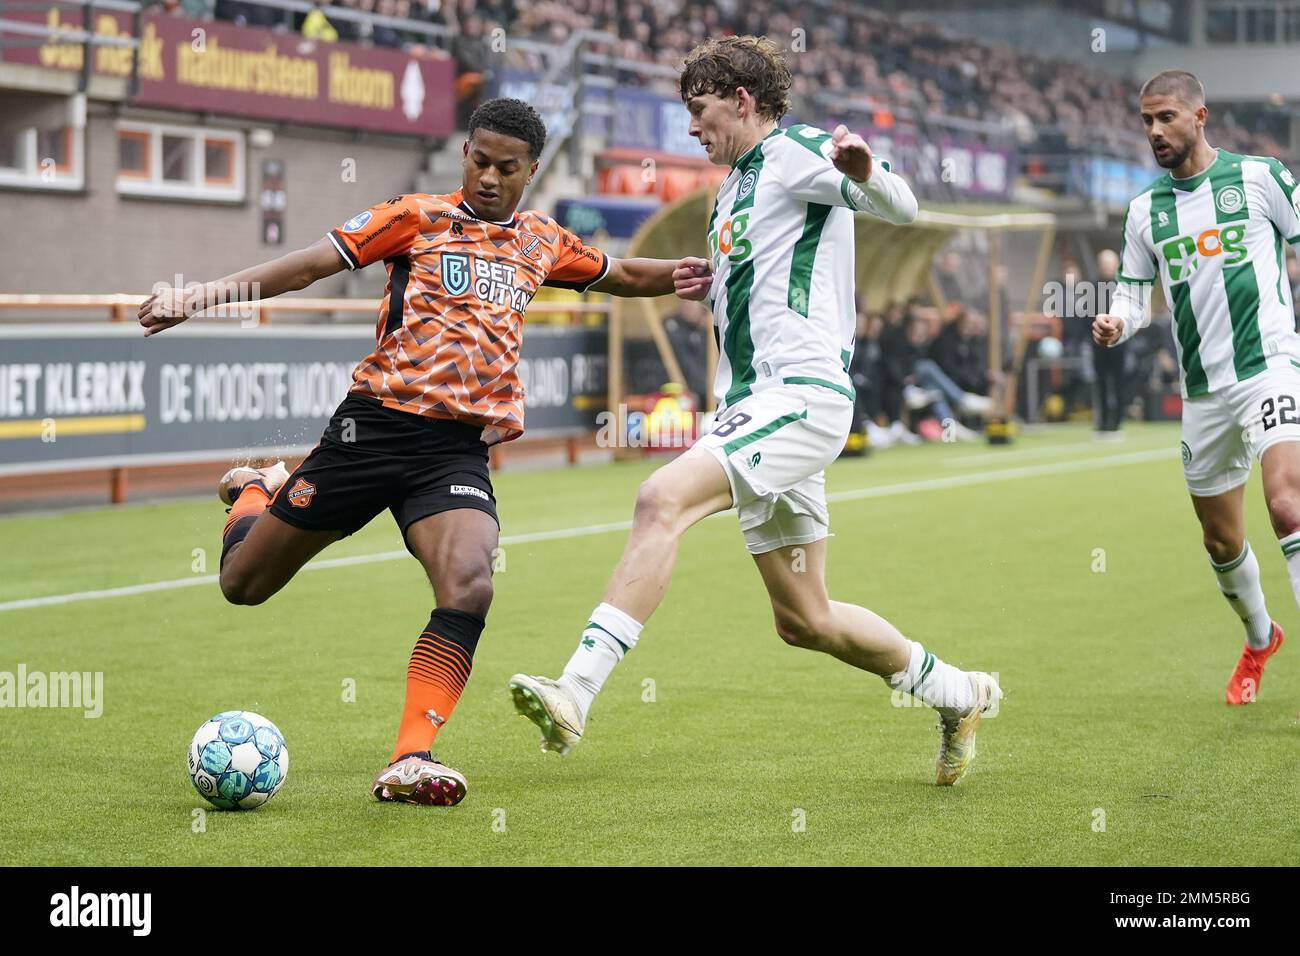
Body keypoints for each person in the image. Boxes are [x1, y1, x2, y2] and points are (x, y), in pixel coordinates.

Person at [138, 98, 707, 807]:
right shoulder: (415, 216)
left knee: (470, 583)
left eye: (507, 168)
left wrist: (685, 273)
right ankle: (259, 488)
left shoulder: (541, 240)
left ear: (531, 171)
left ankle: (411, 758)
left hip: (455, 452)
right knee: (242, 585)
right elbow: (310, 264)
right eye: (479, 161)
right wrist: (200, 296)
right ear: (465, 153)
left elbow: (619, 274)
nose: (490, 177)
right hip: (371, 431)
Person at [507, 36, 1002, 787]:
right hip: (754, 405)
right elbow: (764, 279)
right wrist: (718, 284)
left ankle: (576, 688)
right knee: (804, 618)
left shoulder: (802, 151)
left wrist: (867, 173)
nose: (692, 130)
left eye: (700, 112)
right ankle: (958, 692)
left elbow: (901, 203)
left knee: (658, 498)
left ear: (742, 100)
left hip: (799, 397)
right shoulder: (730, 188)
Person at [1094, 70, 1300, 704]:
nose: (1155, 131)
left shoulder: (1262, 179)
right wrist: (1117, 321)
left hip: (1269, 366)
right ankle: (1261, 636)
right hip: (1203, 394)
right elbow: (1132, 295)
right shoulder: (1143, 212)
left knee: (1287, 502)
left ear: (1200, 116)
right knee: (1220, 540)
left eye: (1166, 119)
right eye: (1147, 121)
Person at [1089, 249, 1129, 437]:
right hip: (1098, 345)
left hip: (1119, 343)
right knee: (1101, 383)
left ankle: (1117, 420)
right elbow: (1085, 315)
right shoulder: (1092, 288)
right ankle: (1103, 420)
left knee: (1119, 382)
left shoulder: (1123, 287)